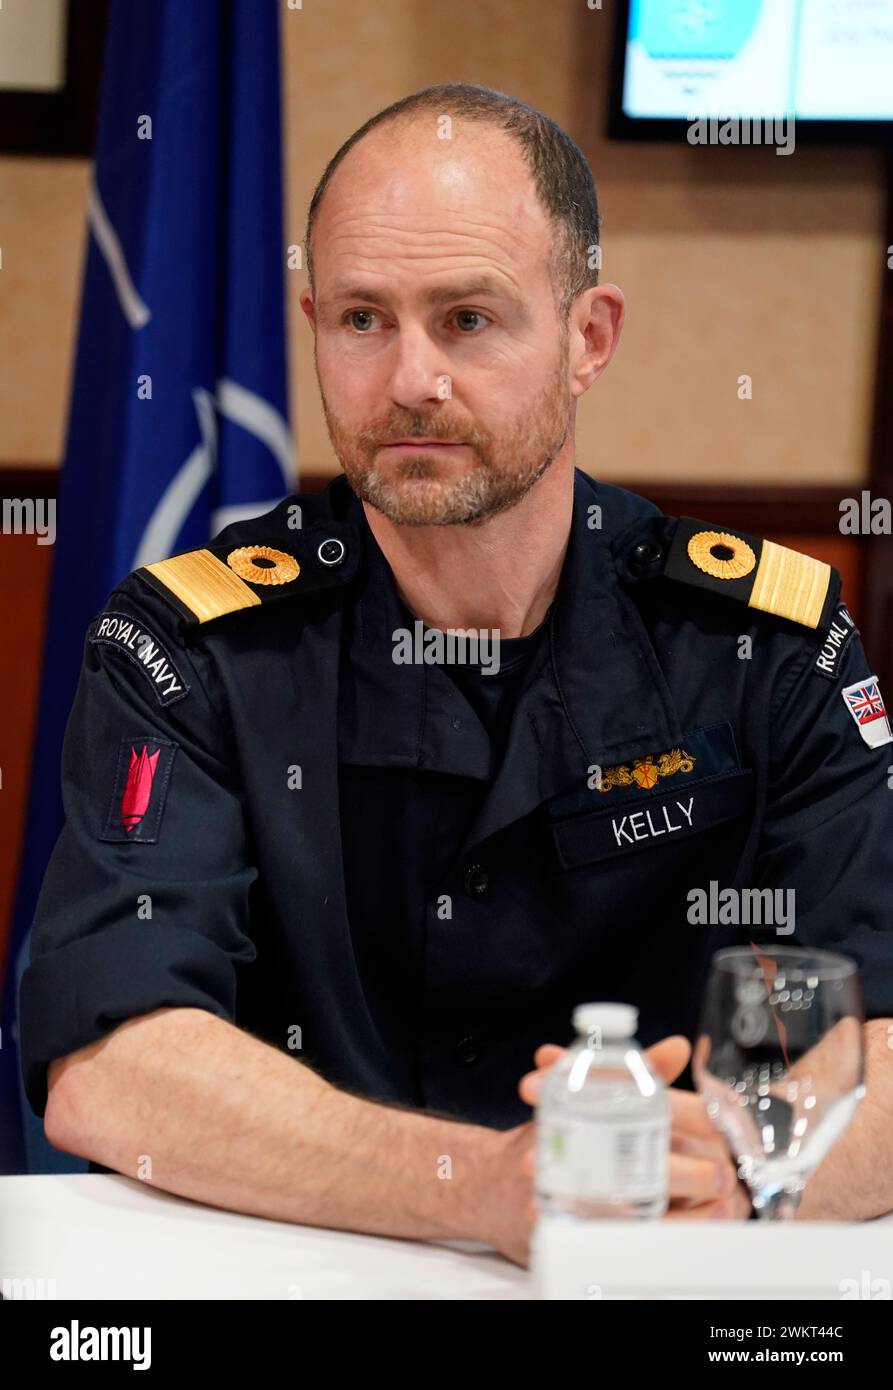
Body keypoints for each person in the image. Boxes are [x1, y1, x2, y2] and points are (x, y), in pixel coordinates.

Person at [20, 84, 893, 1268]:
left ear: (588, 336)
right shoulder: (186, 647)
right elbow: (106, 1063)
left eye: (468, 319)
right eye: (363, 320)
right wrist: (479, 1184)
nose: (410, 381)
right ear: (311, 320)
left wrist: (723, 1179)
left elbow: (876, 1035)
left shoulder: (765, 647)